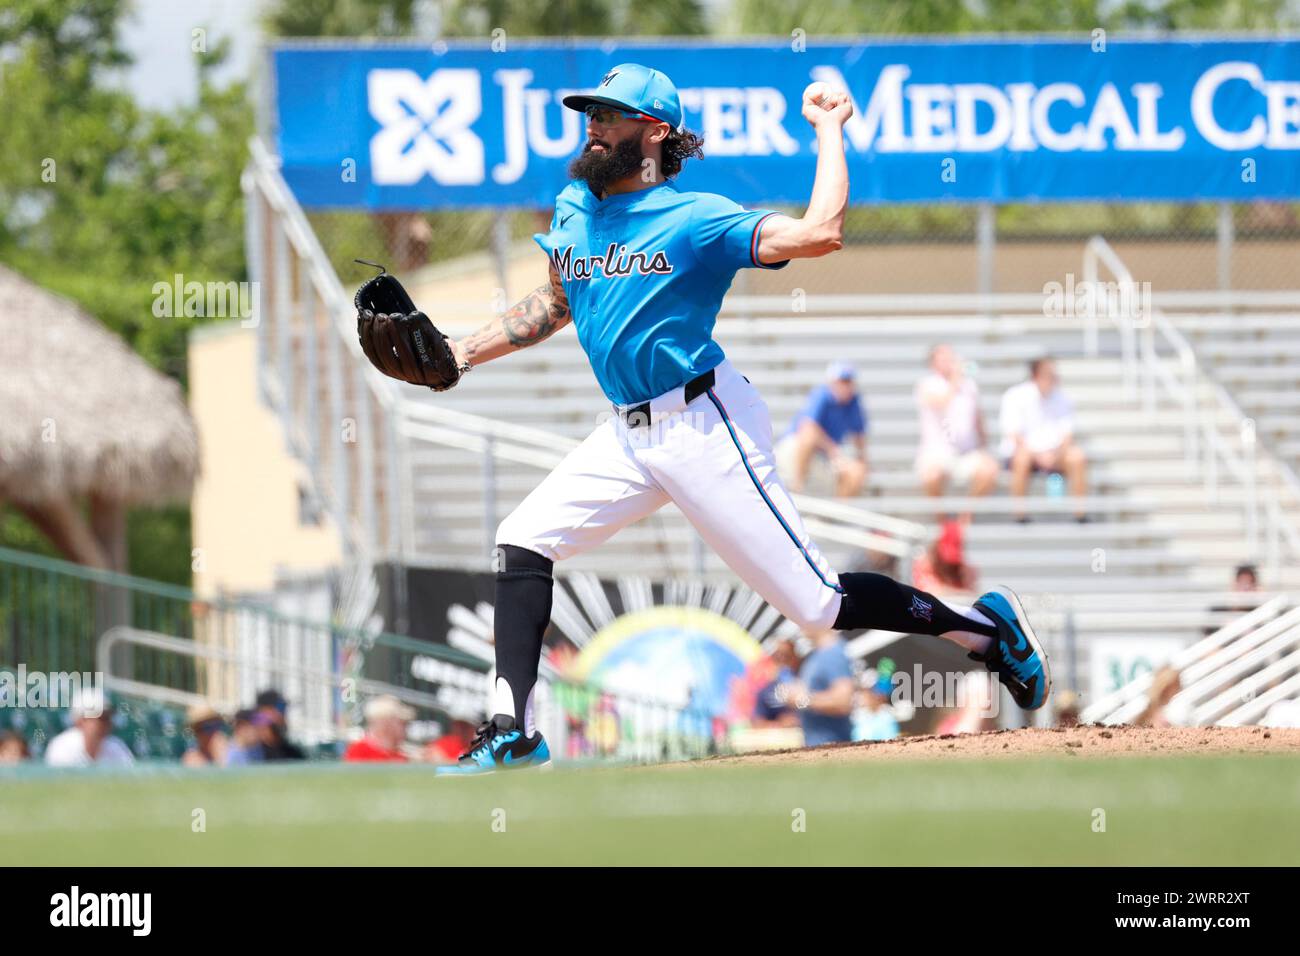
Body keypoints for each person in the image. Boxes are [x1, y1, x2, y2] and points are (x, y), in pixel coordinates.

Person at [387, 63, 1049, 774]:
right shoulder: (575, 205)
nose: (593, 124)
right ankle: (511, 731)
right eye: (591, 112)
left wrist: (830, 130)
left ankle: (984, 628)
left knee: (820, 605)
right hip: (626, 432)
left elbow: (821, 232)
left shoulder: (696, 218)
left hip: (703, 423)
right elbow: (555, 304)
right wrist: (460, 353)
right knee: (521, 538)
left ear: (655, 132)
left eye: (610, 115)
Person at [999, 357, 1089, 522]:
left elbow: (1067, 435)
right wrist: (1038, 456)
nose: (1053, 378)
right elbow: (1014, 434)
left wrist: (1054, 455)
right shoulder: (1016, 395)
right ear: (1035, 375)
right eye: (1049, 374)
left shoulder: (1063, 398)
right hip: (1027, 453)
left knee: (1077, 456)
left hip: (1055, 454)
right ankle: (1020, 514)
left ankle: (1080, 513)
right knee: (1022, 457)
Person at [914, 344, 997, 519]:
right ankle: (941, 521)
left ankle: (964, 519)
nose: (950, 363)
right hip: (936, 452)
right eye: (944, 359)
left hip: (966, 452)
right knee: (932, 476)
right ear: (933, 364)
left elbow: (977, 418)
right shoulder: (927, 384)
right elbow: (941, 403)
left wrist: (983, 444)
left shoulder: (969, 386)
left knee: (990, 469)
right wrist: (955, 381)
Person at [776, 362, 869, 498]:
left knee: (857, 471)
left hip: (822, 457)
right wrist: (833, 450)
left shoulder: (853, 402)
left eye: (848, 382)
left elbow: (859, 436)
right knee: (808, 436)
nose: (846, 386)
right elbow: (808, 427)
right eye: (842, 381)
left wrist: (862, 461)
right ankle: (797, 486)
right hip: (794, 450)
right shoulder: (822, 395)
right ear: (832, 382)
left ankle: (837, 513)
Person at [782, 630, 856, 747]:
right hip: (818, 747)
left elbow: (843, 701)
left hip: (833, 749)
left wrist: (801, 699)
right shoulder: (817, 655)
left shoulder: (832, 652)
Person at [44, 688, 135, 768]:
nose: (107, 723)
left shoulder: (116, 747)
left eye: (108, 717)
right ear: (81, 721)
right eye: (101, 718)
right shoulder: (62, 747)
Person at [911, 520, 979, 595]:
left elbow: (971, 594)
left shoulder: (964, 569)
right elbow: (929, 593)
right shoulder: (924, 564)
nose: (948, 566)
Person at [343, 695, 413, 762]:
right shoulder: (359, 751)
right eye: (402, 723)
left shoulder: (402, 755)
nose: (405, 729)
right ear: (385, 724)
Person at [253, 689, 305, 761]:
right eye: (280, 707)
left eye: (284, 709)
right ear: (263, 711)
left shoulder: (290, 752)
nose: (283, 714)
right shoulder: (250, 751)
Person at [851, 667, 900, 742]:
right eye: (867, 691)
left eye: (873, 690)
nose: (869, 695)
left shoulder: (887, 717)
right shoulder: (856, 718)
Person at [181, 702, 229, 767]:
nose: (214, 733)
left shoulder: (230, 750)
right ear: (196, 732)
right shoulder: (192, 761)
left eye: (216, 725)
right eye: (208, 728)